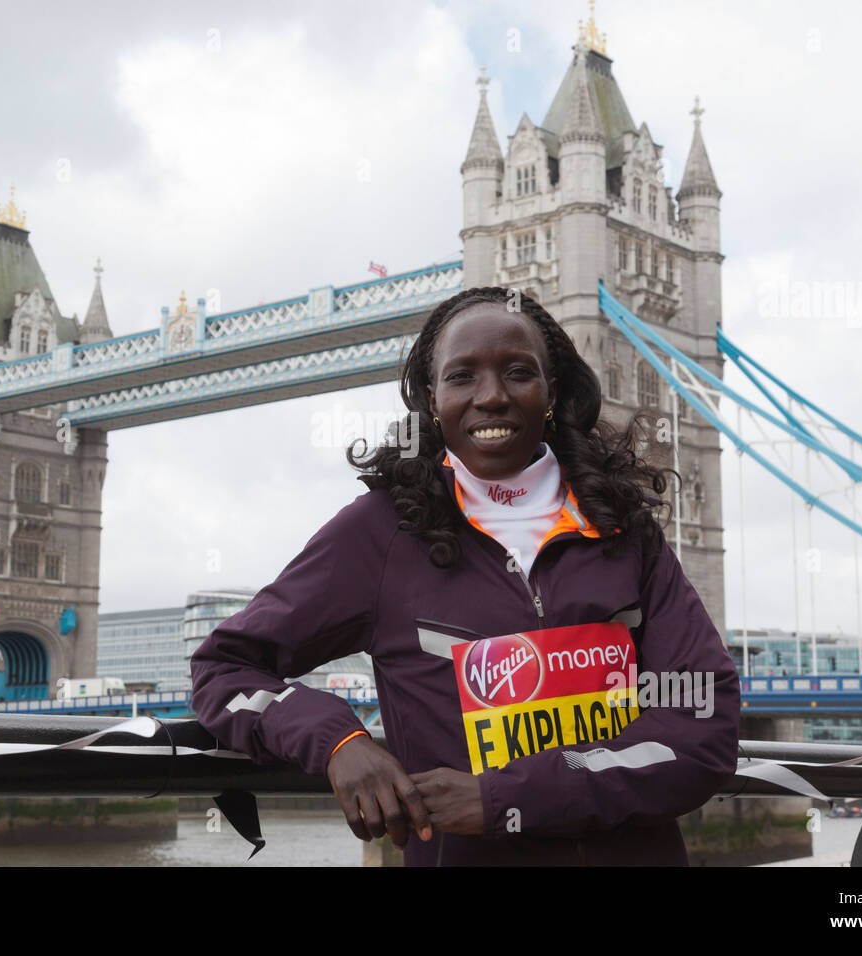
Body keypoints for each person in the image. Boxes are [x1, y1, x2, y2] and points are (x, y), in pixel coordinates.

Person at [190, 286, 740, 865]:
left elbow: (702, 726)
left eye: (518, 372)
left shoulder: (624, 530)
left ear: (551, 392)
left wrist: (503, 798)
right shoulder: (380, 534)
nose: (492, 396)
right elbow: (223, 667)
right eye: (462, 377)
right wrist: (339, 743)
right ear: (432, 399)